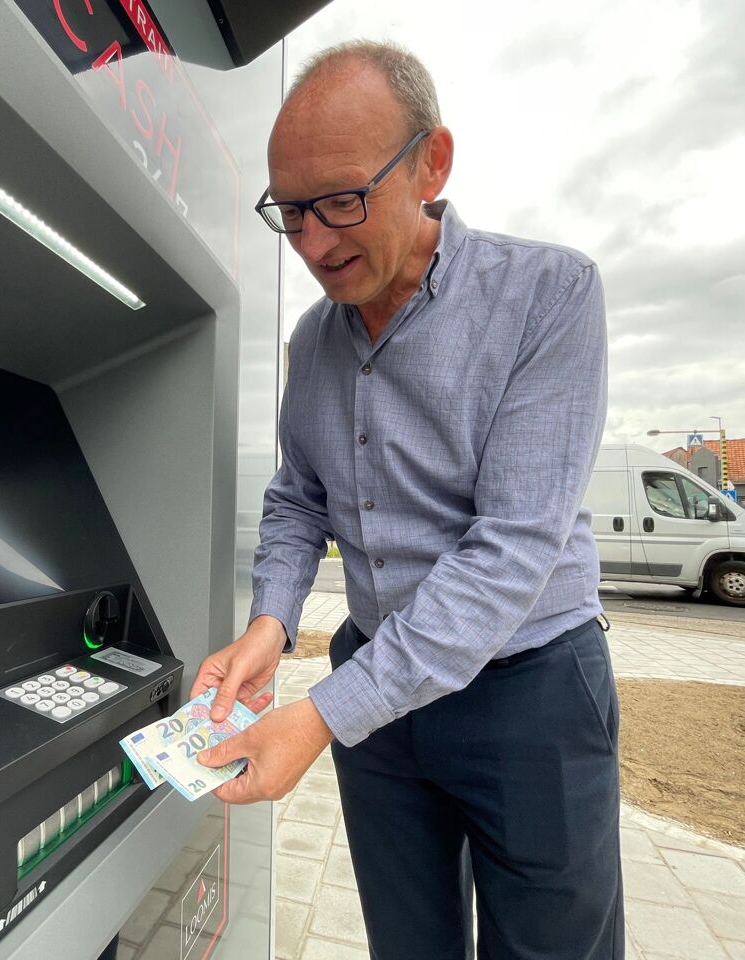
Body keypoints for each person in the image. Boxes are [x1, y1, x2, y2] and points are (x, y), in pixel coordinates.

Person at [192, 40, 622, 959]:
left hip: (530, 689)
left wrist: (321, 714)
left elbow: (511, 547)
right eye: (292, 212)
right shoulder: (313, 341)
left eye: (342, 201)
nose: (314, 244)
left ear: (432, 161)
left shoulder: (550, 296)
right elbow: (299, 497)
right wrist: (271, 622)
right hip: (378, 695)